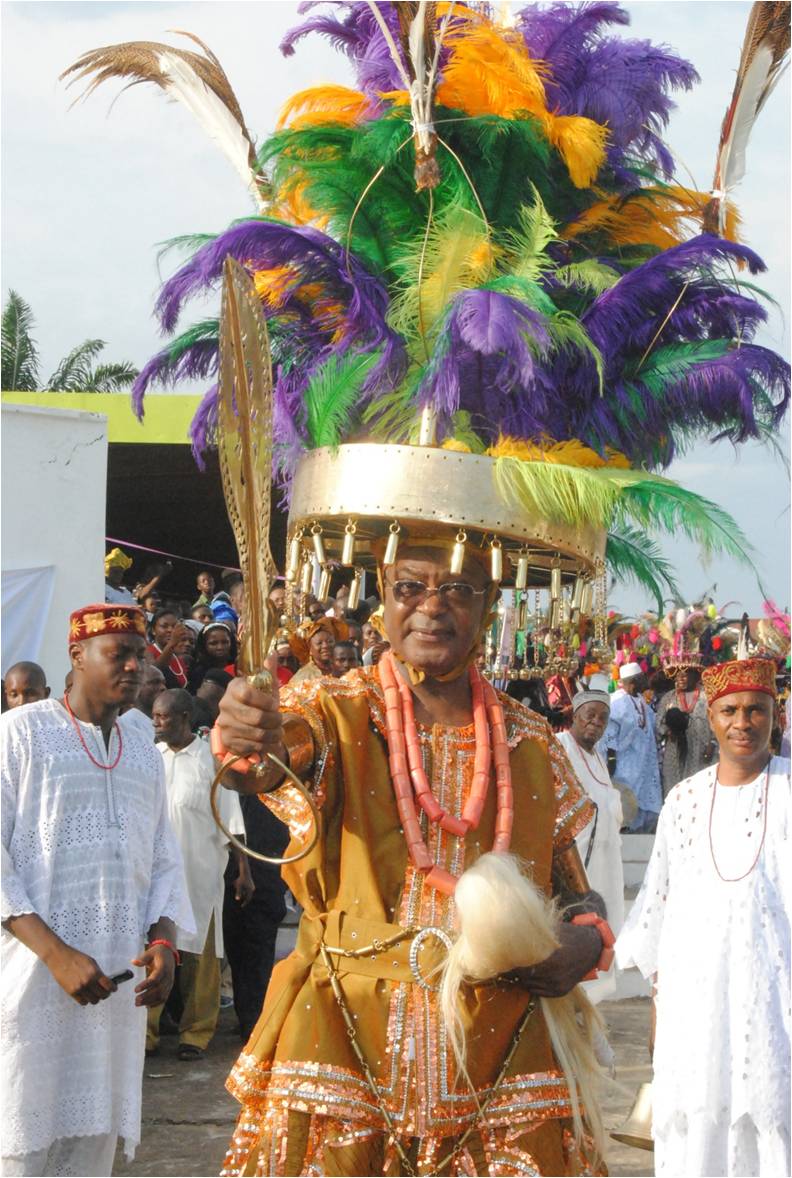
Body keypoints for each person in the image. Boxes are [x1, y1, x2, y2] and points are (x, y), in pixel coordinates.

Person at [214, 539, 608, 1176]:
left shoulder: (531, 738)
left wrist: (586, 941)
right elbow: (262, 765)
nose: (431, 608)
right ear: (383, 600)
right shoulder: (333, 710)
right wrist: (244, 738)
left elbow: (574, 893)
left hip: (499, 1040)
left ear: (489, 605)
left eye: (456, 590)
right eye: (409, 588)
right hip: (348, 1025)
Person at [1, 603, 192, 1175]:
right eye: (119, 654)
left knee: (95, 1147)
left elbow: (162, 855)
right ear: (77, 656)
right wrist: (57, 955)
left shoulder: (141, 745)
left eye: (140, 655)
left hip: (117, 991)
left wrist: (163, 942)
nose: (134, 666)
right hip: (35, 981)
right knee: (23, 1146)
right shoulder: (20, 733)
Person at [616, 657, 790, 1177]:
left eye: (756, 710)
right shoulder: (683, 801)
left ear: (775, 715)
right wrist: (656, 1005)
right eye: (730, 710)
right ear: (710, 719)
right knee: (695, 1117)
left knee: (770, 1110)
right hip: (694, 1004)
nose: (743, 722)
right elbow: (662, 908)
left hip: (773, 1001)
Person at [148, 689, 252, 1061]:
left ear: (186, 717)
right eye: (155, 716)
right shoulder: (150, 758)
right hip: (156, 876)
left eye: (164, 717)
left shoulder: (210, 761)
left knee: (200, 958)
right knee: (154, 950)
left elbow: (232, 820)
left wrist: (244, 871)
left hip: (201, 873)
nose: (157, 723)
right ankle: (147, 1032)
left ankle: (196, 1032)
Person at [557, 681, 624, 1003]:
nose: (595, 722)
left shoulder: (598, 757)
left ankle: (591, 994)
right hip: (573, 862)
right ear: (574, 715)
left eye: (602, 718)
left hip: (603, 861)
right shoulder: (559, 746)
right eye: (590, 715)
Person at [222, 800, 289, 1043]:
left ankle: (253, 1021)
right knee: (238, 946)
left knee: (257, 949)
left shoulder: (272, 779)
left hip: (267, 867)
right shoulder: (235, 779)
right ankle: (248, 1018)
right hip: (237, 867)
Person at [605, 662, 662, 832]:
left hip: (643, 761)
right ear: (632, 682)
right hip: (624, 764)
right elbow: (610, 733)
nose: (646, 682)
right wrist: (611, 759)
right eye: (642, 678)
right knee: (625, 800)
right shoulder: (617, 702)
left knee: (643, 799)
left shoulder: (640, 701)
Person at [656, 662, 714, 797]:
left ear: (695, 676)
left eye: (685, 675)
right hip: (675, 751)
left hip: (700, 751)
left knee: (699, 791)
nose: (680, 679)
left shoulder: (707, 697)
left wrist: (712, 743)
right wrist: (669, 732)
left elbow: (717, 722)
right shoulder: (669, 698)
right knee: (674, 790)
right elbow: (659, 723)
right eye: (678, 676)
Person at [287, 616, 347, 685]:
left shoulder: (345, 669)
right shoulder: (302, 677)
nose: (325, 646)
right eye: (319, 643)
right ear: (310, 649)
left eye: (330, 641)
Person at [188, 621, 238, 692]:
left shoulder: (239, 667)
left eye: (225, 642)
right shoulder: (198, 673)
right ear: (204, 645)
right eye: (213, 643)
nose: (220, 647)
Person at [148, 607, 191, 689]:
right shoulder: (148, 651)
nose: (171, 630)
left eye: (174, 626)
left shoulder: (179, 658)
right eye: (164, 626)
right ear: (153, 630)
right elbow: (154, 671)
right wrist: (172, 643)